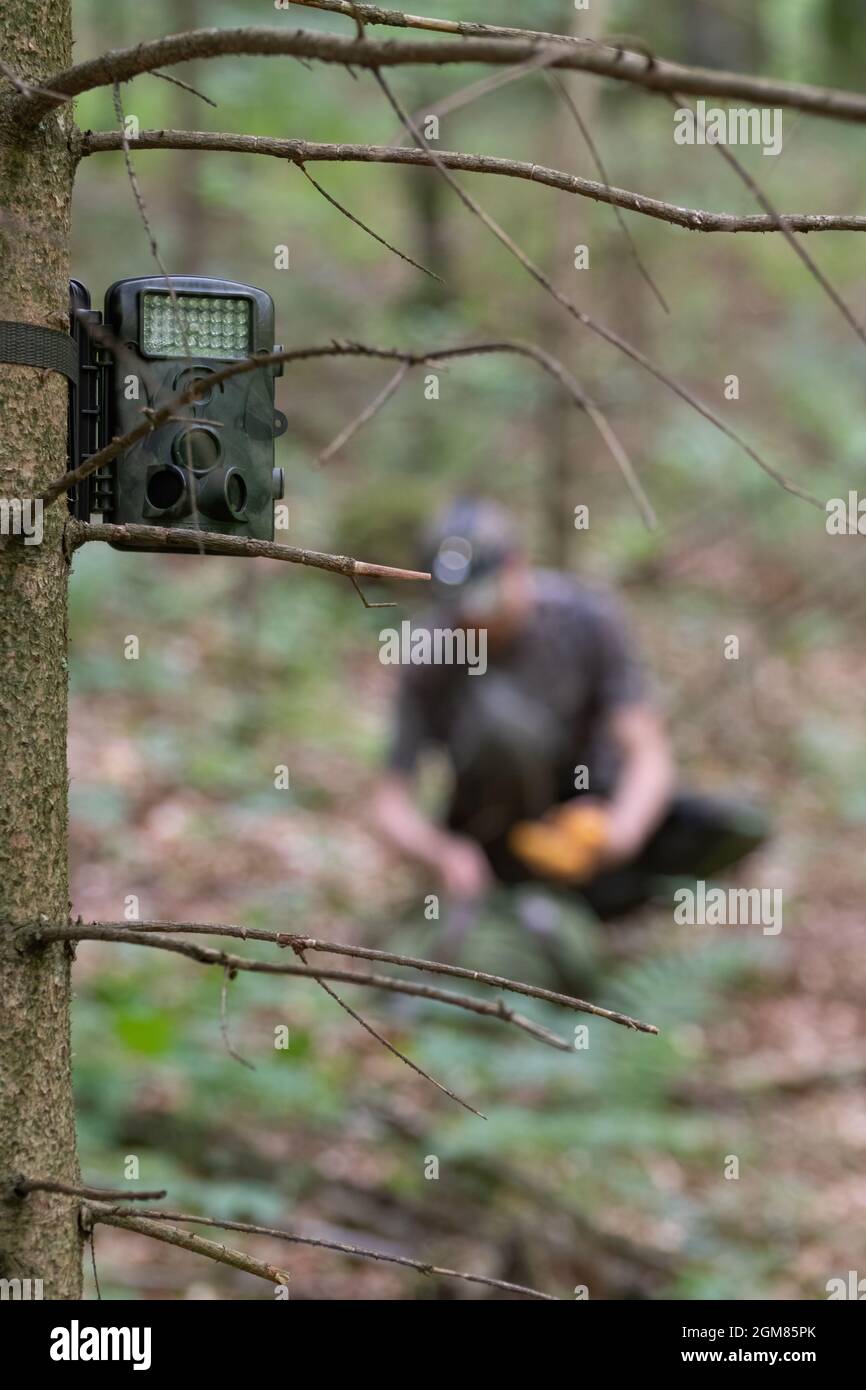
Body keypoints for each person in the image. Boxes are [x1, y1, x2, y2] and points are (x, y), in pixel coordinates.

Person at [372, 498, 768, 921]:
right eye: (459, 603)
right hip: (494, 837)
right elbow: (388, 803)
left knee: (733, 826)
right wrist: (444, 854)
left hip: (593, 812)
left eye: (484, 597)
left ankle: (604, 904)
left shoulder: (585, 618)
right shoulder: (432, 654)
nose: (474, 616)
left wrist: (621, 830)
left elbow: (647, 752)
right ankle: (528, 907)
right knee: (501, 730)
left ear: (517, 566)